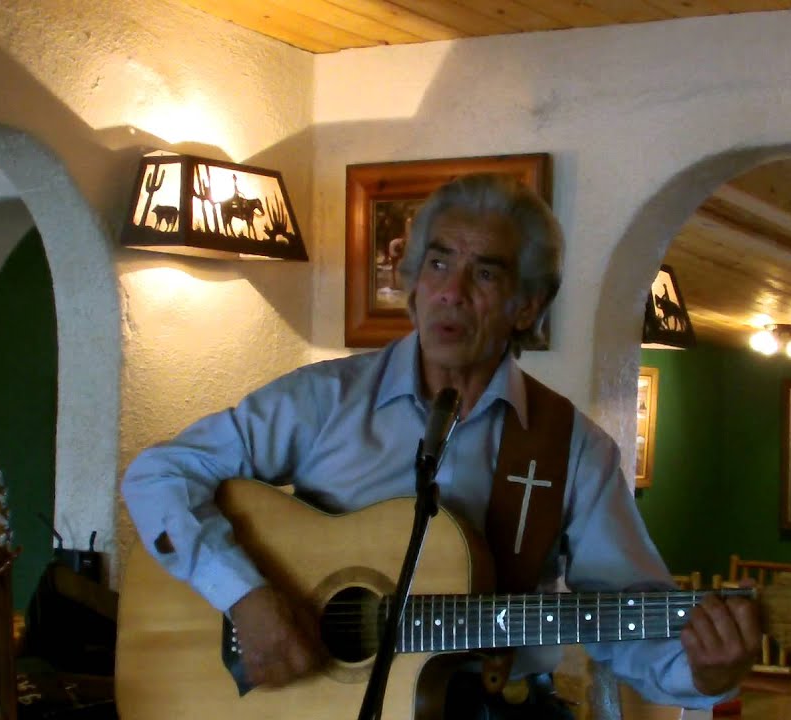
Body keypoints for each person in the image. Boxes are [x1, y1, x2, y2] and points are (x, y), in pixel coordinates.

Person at [122, 173, 759, 717]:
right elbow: (158, 476)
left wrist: (703, 671)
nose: (452, 291)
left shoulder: (571, 449)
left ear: (526, 305)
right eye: (438, 262)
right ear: (413, 283)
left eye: (485, 273)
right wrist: (246, 595)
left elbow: (629, 619)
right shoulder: (324, 400)